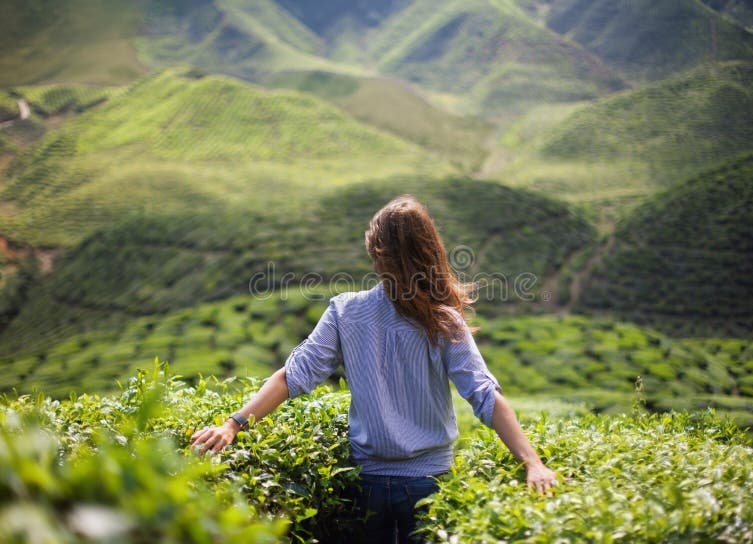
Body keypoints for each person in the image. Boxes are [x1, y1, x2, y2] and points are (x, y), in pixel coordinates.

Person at [190, 195, 557, 543]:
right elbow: (485, 395)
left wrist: (232, 424)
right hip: (429, 483)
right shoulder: (444, 321)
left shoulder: (345, 311)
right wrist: (532, 462)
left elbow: (292, 376)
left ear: (377, 255)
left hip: (364, 483)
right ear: (430, 253)